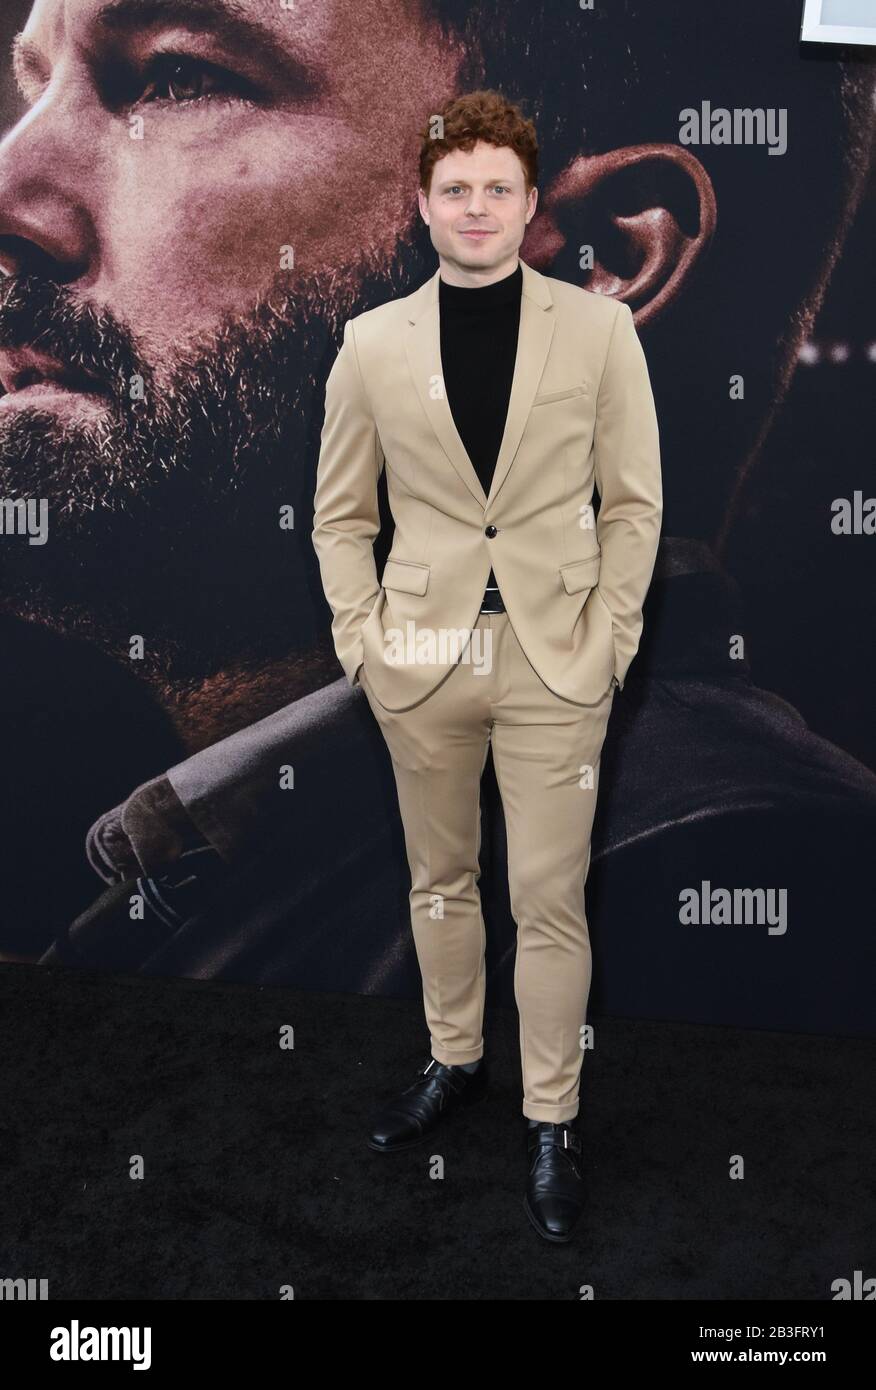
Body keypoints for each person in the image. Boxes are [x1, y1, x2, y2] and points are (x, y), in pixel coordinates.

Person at [311, 91, 662, 1243]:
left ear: (529, 204)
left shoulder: (600, 330)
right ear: (422, 206)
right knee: (438, 883)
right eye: (454, 189)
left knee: (549, 900)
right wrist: (364, 642)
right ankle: (452, 1059)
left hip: (558, 659)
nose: (475, 208)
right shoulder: (370, 345)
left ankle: (551, 1117)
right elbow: (337, 518)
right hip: (421, 658)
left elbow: (635, 506)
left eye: (496, 188)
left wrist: (612, 638)